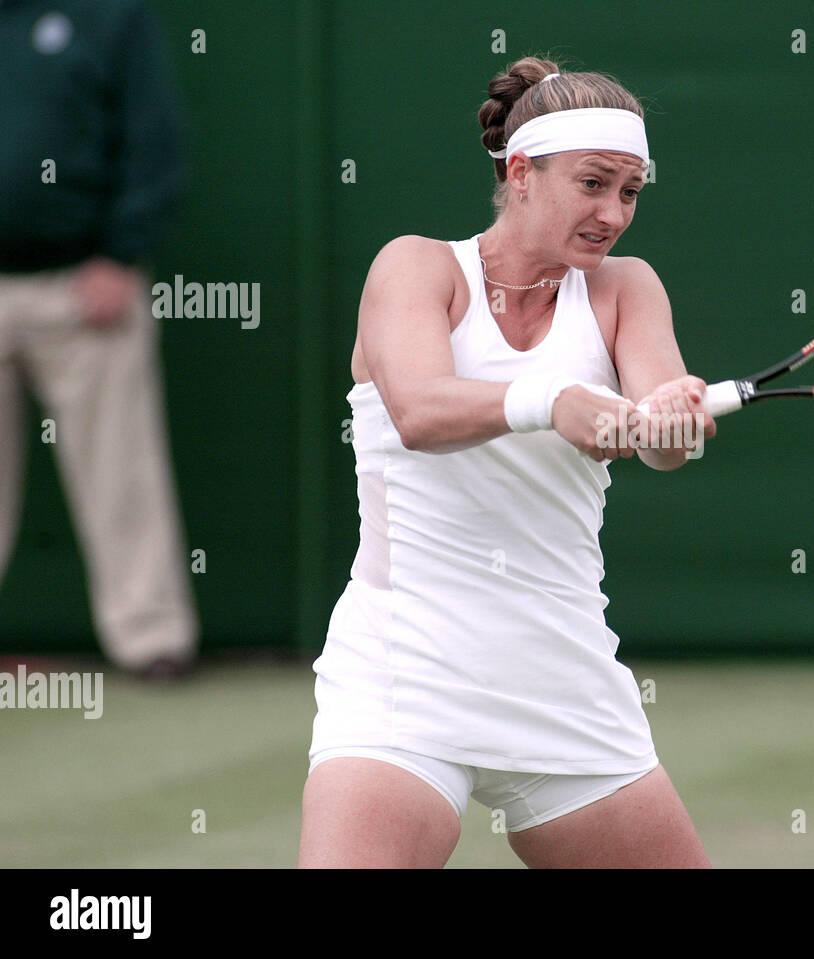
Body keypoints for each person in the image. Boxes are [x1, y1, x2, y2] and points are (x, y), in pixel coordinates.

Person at [298, 57, 716, 868]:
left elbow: (666, 446)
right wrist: (551, 399)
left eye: (630, 191)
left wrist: (674, 417)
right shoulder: (416, 268)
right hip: (404, 677)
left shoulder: (626, 288)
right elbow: (419, 411)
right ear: (520, 172)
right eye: (593, 183)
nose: (613, 213)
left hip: (564, 679)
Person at [0, 0, 198, 679]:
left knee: (122, 472)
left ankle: (152, 638)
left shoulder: (110, 15)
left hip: (85, 288)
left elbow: (153, 135)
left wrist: (122, 252)